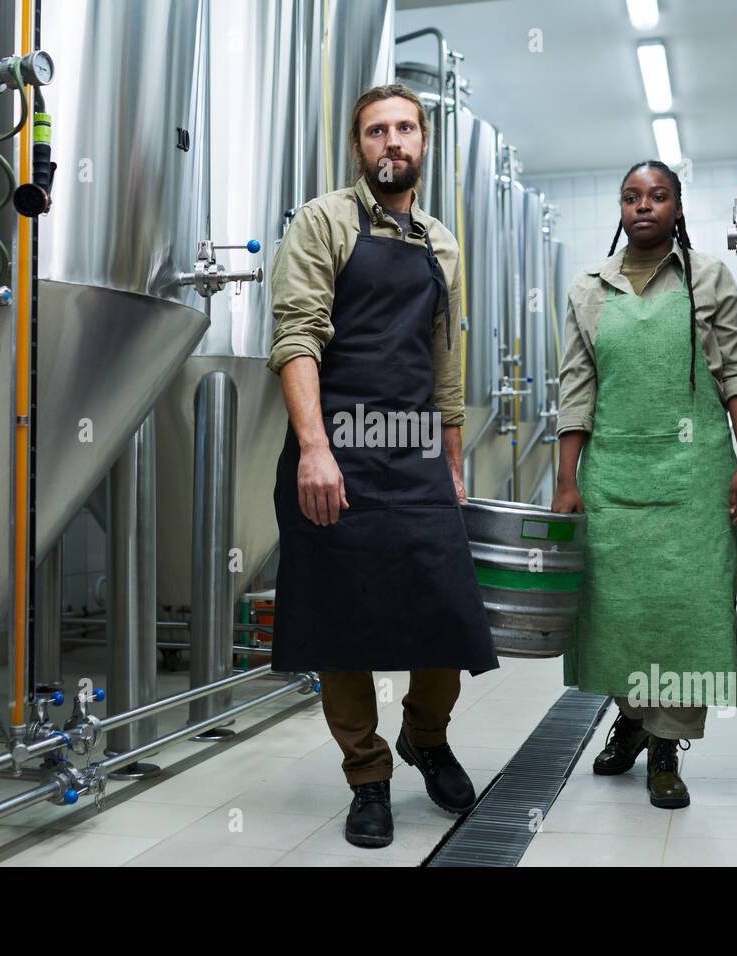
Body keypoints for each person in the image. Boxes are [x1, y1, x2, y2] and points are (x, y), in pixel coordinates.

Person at [266, 83, 499, 848]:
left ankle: (424, 736)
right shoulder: (323, 220)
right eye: (376, 131)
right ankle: (367, 777)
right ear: (358, 146)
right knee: (341, 625)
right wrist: (315, 450)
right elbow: (297, 336)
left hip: (417, 450)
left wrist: (454, 466)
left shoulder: (442, 241)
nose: (391, 141)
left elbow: (445, 362)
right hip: (335, 444)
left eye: (404, 128)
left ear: (423, 143)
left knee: (448, 610)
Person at [552, 160, 737, 809]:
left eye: (658, 196)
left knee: (687, 607)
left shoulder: (709, 277)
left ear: (676, 207)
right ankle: (635, 720)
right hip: (613, 473)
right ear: (621, 209)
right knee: (615, 609)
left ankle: (667, 745)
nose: (644, 206)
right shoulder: (589, 287)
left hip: (695, 477)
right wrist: (566, 479)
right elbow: (576, 389)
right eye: (631, 197)